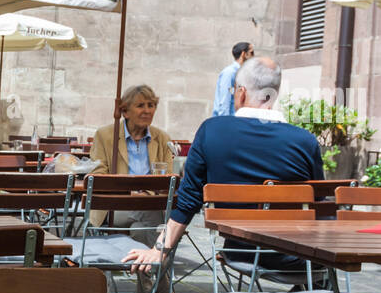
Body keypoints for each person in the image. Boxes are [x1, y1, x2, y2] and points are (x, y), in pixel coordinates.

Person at [124, 56, 322, 277]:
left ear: (241, 92)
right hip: (299, 256)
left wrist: (159, 250)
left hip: (241, 251)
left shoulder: (212, 131)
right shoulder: (306, 141)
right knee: (318, 276)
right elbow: (322, 204)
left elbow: (189, 199)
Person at [86, 84, 183, 293]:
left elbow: (170, 178)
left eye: (151, 105)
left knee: (141, 230)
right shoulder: (106, 136)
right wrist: (130, 193)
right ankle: (164, 292)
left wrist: (145, 196)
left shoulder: (161, 138)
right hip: (113, 209)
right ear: (125, 111)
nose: (147, 110)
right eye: (140, 105)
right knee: (152, 218)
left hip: (147, 210)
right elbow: (98, 175)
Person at [212, 41, 254, 117]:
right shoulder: (229, 73)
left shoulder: (242, 73)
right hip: (227, 122)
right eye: (251, 52)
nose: (253, 56)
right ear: (243, 54)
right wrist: (225, 124)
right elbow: (225, 100)